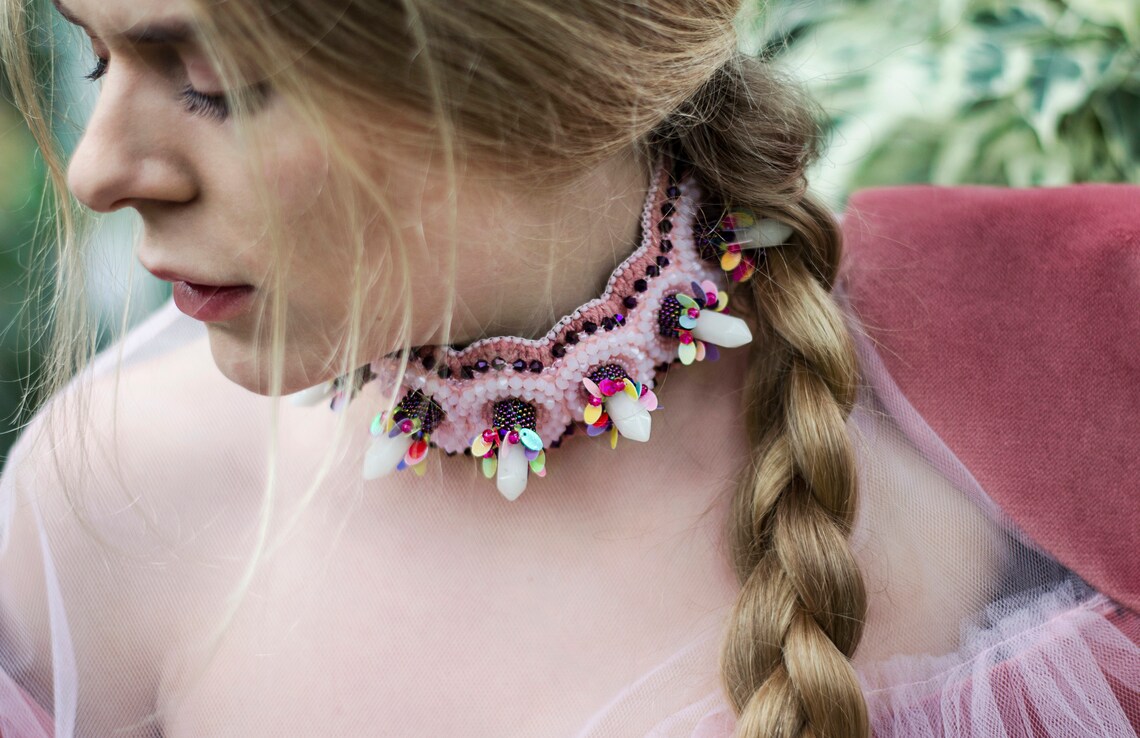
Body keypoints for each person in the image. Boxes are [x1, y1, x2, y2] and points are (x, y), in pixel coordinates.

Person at [0, 0, 1137, 735]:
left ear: (542, 73)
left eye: (209, 78)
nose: (100, 171)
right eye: (97, 60)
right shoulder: (113, 508)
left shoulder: (1054, 373)